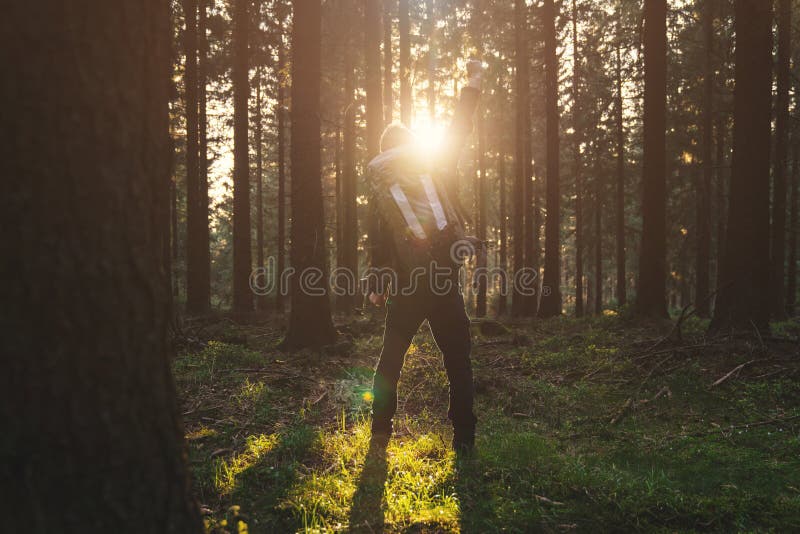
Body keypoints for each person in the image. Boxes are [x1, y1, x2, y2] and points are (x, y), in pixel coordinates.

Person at [364, 59, 483, 451]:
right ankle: (464, 438)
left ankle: (380, 431)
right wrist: (472, 85)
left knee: (391, 359)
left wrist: (377, 284)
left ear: (385, 152)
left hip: (408, 284)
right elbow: (458, 131)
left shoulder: (382, 186)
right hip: (443, 278)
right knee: (458, 360)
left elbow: (378, 242)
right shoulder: (433, 164)